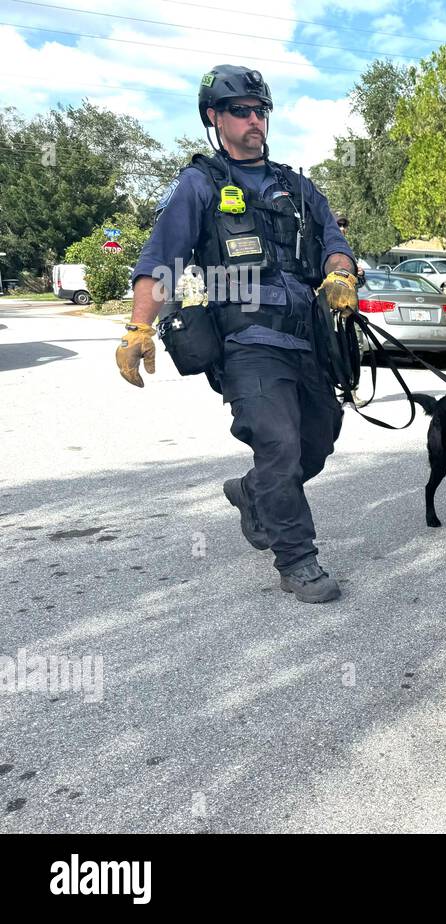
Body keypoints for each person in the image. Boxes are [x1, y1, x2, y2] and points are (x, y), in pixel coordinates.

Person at [114, 64, 359, 604]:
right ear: (214, 117)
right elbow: (162, 261)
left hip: (307, 341)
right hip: (247, 344)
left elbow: (334, 240)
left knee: (317, 444)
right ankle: (298, 558)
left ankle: (252, 494)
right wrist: (139, 326)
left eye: (260, 110)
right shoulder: (200, 184)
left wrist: (340, 270)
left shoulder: (297, 187)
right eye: (241, 111)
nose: (254, 120)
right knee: (279, 443)